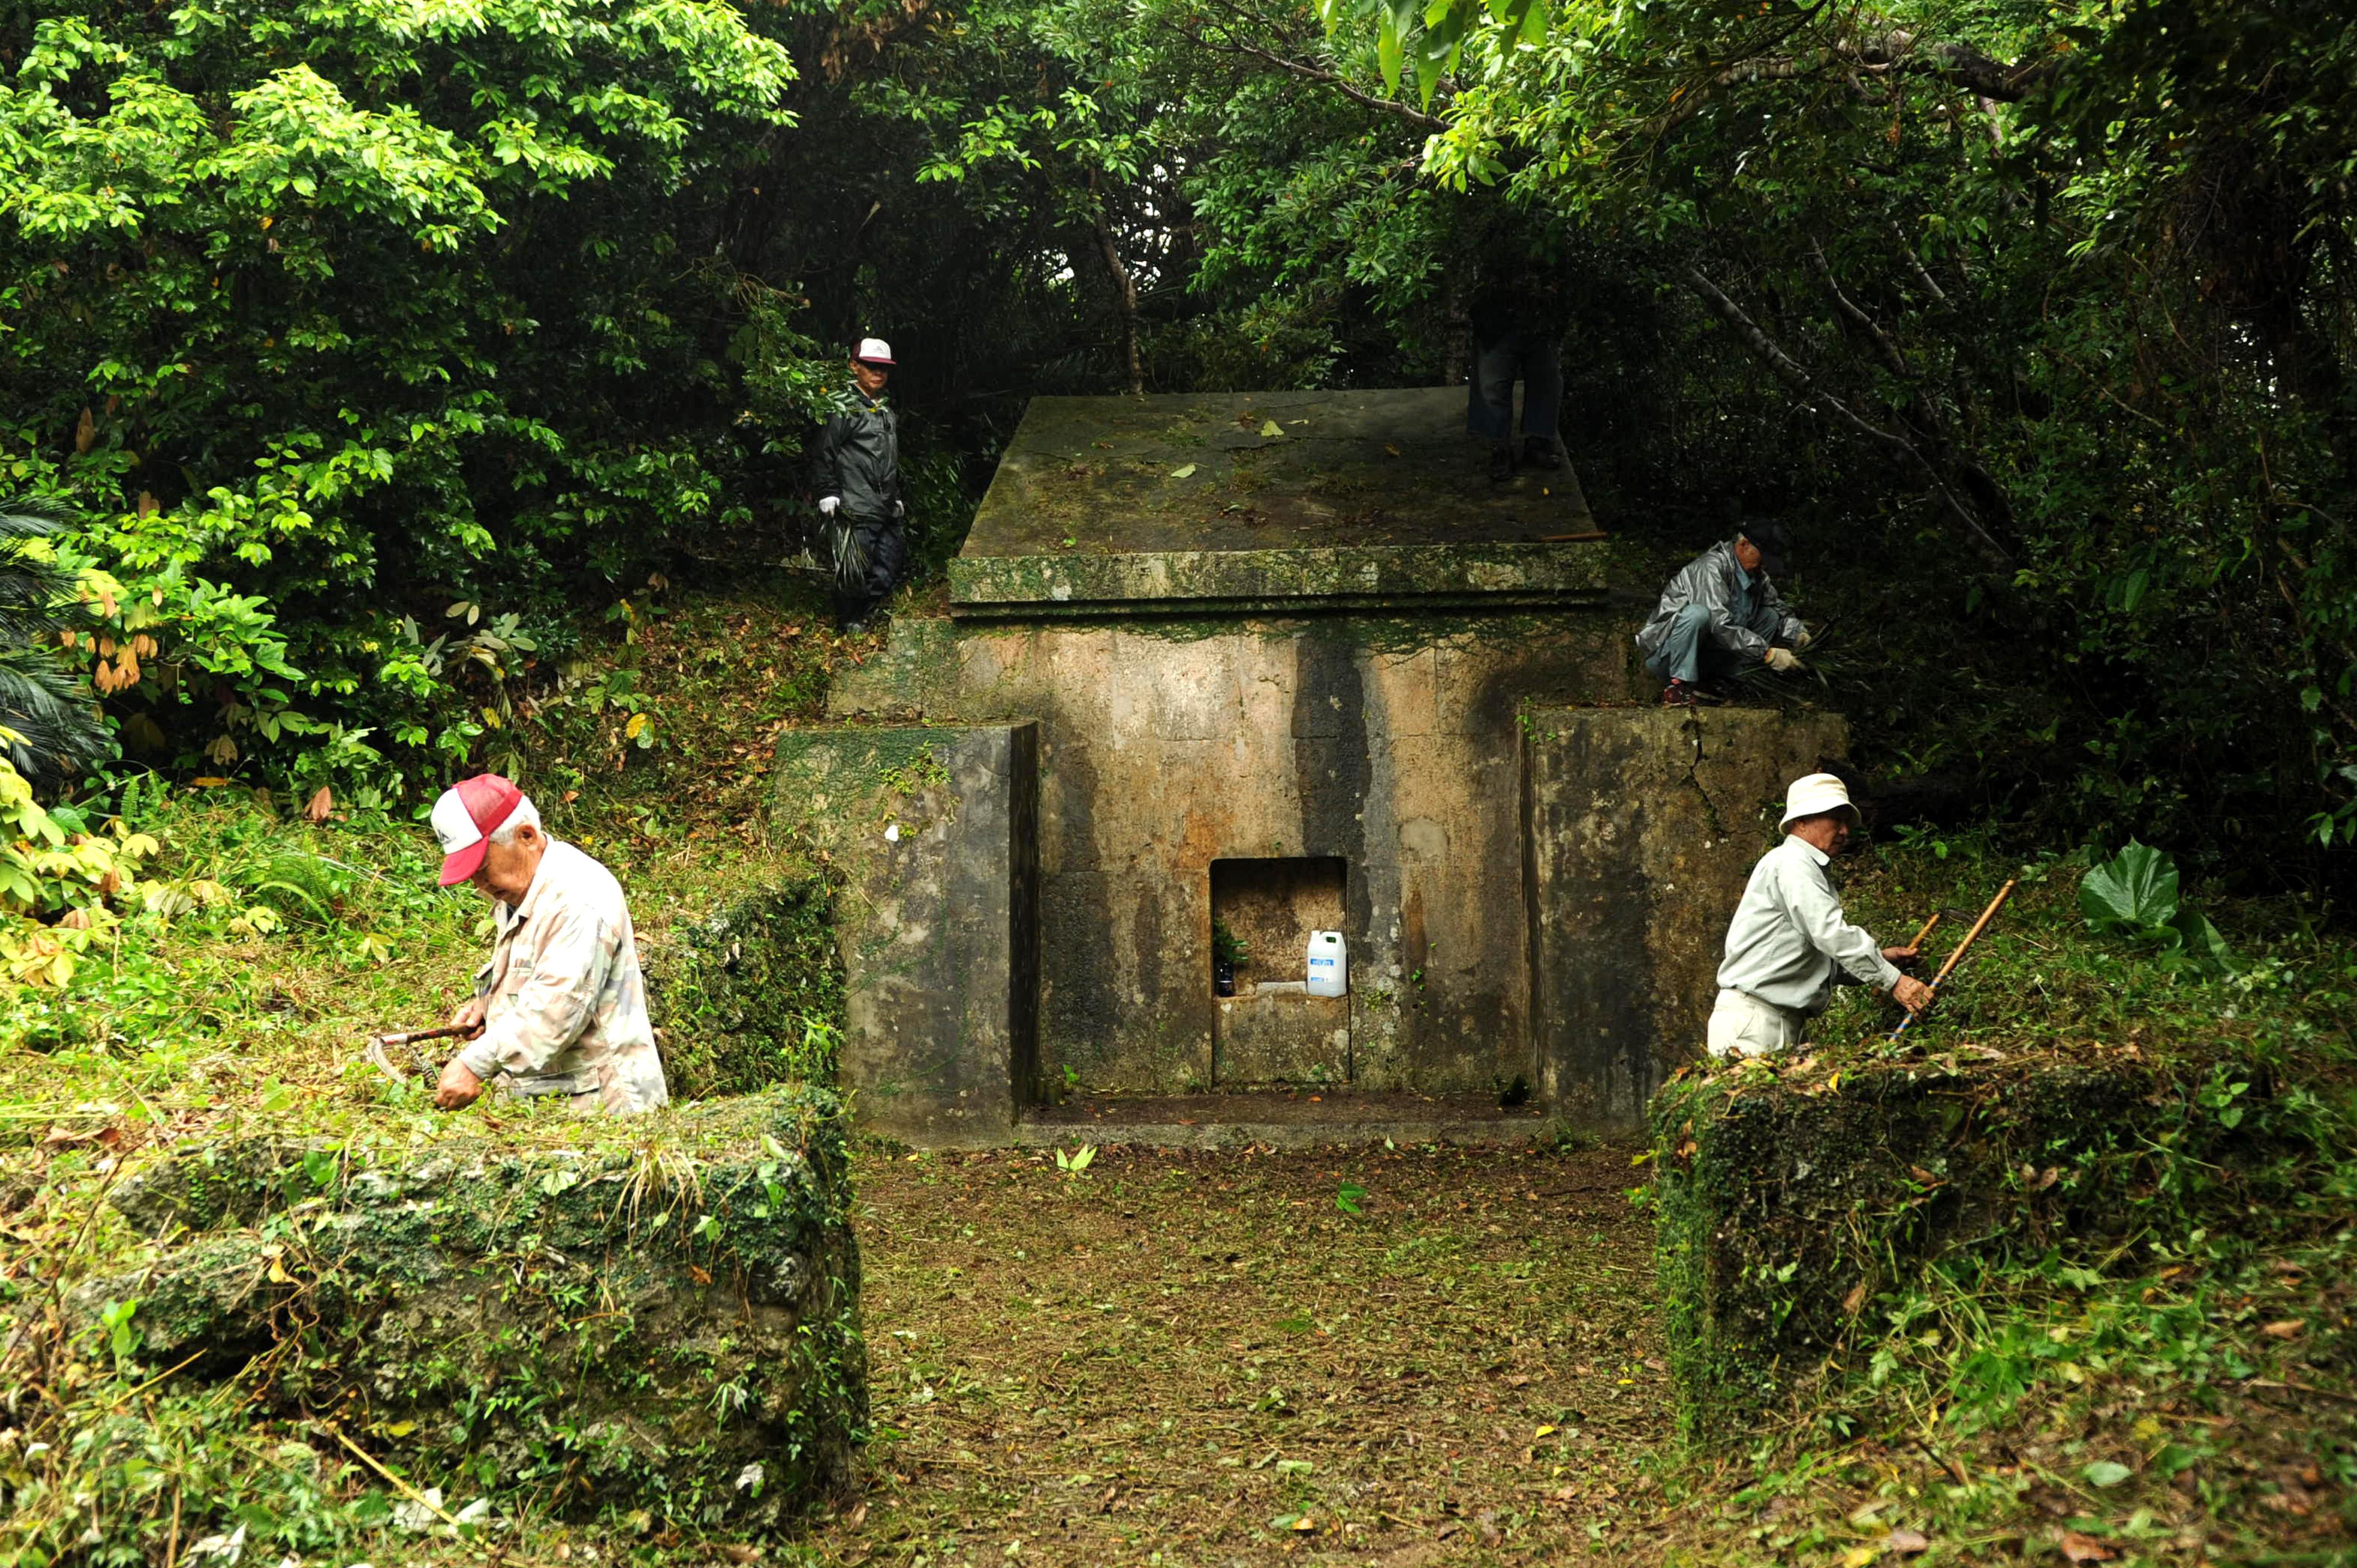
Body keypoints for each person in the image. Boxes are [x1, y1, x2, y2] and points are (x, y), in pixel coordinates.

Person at [428, 773, 670, 1115]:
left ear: (526, 835)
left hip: (607, 1110)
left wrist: (474, 1064)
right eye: (471, 875)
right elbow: (537, 973)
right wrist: (490, 1006)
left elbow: (555, 1008)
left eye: (483, 868)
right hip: (556, 1100)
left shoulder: (579, 899)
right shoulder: (520, 890)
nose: (480, 883)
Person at [1708, 772, 1933, 1059]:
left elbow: (1810, 958)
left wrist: (1880, 958)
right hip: (1756, 1022)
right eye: (1835, 820)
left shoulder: (1798, 865)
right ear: (1801, 821)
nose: (1844, 831)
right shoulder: (1792, 863)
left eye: (1846, 823)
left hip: (1770, 1021)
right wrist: (1895, 981)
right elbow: (1830, 933)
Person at [1635, 520, 1811, 707]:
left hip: (1710, 655)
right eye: (1763, 558)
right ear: (1744, 545)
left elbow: (1779, 610)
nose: (1764, 566)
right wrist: (1767, 653)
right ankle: (1680, 687)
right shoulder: (1710, 568)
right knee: (1698, 614)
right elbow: (1719, 624)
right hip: (1667, 656)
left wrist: (1799, 635)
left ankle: (1726, 681)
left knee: (1770, 616)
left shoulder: (1758, 577)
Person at [812, 337, 906, 633]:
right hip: (854, 504)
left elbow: (889, 458)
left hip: (885, 506)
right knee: (854, 568)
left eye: (883, 368)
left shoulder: (886, 410)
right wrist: (827, 491)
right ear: (855, 367)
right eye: (870, 367)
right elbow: (823, 451)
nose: (877, 373)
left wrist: (897, 497)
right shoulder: (843, 408)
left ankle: (866, 613)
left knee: (889, 563)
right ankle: (849, 621)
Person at [1465, 269, 1567, 483]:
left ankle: (1538, 441)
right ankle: (1501, 447)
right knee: (1492, 386)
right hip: (1497, 312)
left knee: (1547, 379)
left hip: (1540, 314)